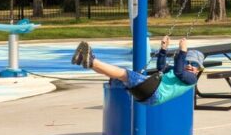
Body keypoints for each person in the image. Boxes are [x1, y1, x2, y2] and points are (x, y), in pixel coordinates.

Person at [71, 35, 206, 106]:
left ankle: (92, 61)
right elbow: (161, 68)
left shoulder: (192, 80)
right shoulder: (177, 73)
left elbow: (179, 72)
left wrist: (182, 51)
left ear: (199, 69)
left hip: (154, 92)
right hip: (147, 94)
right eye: (188, 62)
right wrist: (163, 49)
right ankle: (85, 61)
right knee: (118, 77)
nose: (190, 66)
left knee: (125, 73)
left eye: (194, 65)